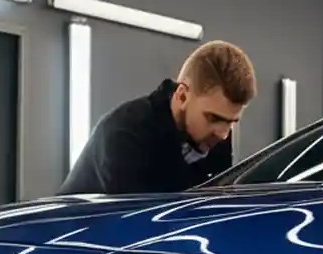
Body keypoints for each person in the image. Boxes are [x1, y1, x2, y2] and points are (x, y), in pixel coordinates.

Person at [59, 40, 257, 195]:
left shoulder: (216, 138)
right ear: (182, 96)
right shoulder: (124, 133)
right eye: (213, 119)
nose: (223, 134)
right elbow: (137, 225)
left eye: (231, 122)